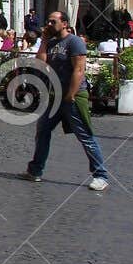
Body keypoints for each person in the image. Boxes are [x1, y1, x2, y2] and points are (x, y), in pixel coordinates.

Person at [19, 12, 109, 191]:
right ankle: (35, 170)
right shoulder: (51, 43)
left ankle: (101, 175)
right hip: (54, 96)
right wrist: (44, 40)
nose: (49, 24)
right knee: (42, 131)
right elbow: (41, 64)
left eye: (53, 21)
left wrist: (71, 94)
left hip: (73, 96)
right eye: (48, 21)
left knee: (85, 136)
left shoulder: (74, 42)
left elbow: (79, 69)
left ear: (65, 23)